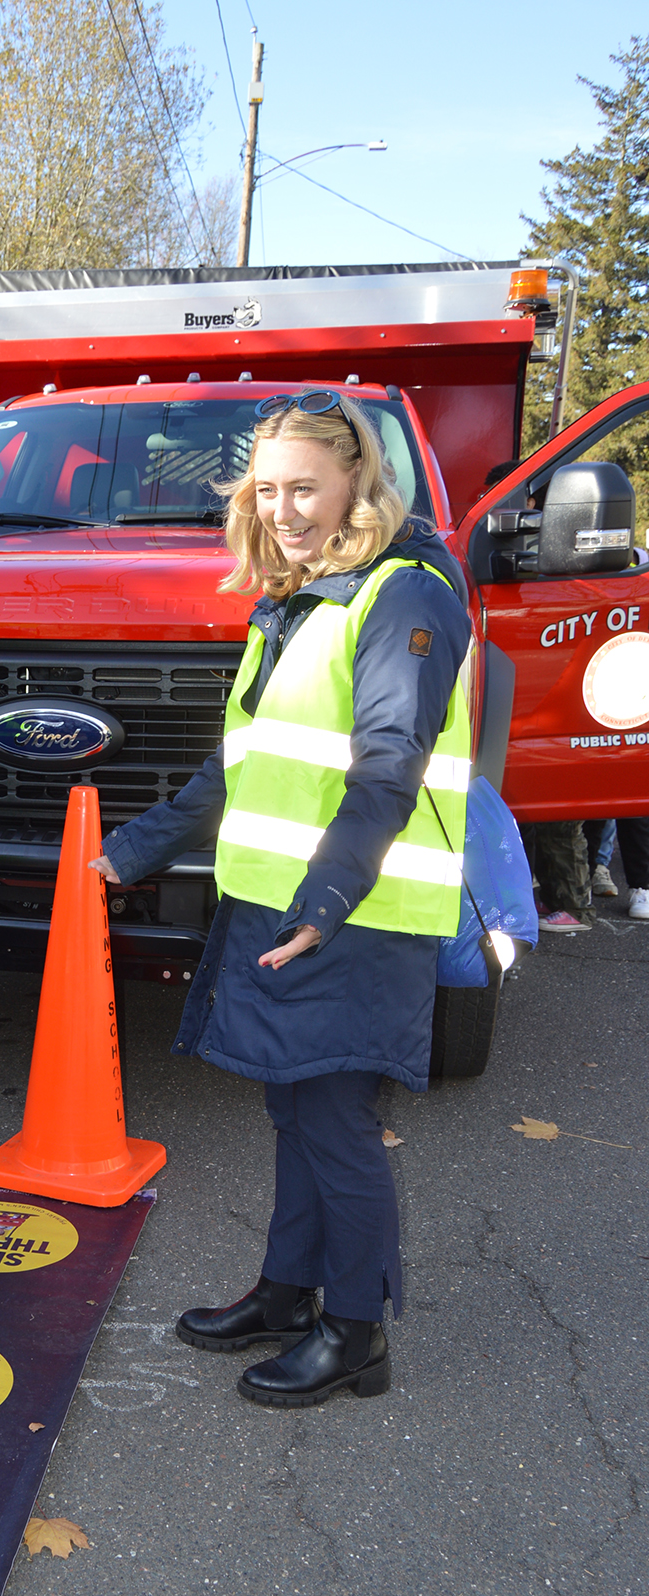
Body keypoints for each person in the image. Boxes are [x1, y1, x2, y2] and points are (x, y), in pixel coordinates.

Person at [91, 390, 471, 1407]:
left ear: (358, 480)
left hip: (354, 913)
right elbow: (243, 765)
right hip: (286, 906)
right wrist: (130, 850)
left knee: (335, 1119)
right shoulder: (308, 596)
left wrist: (327, 897)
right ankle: (287, 1292)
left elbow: (390, 762)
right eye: (266, 490)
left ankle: (354, 1333)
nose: (283, 509)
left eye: (305, 487)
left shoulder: (404, 594)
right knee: (296, 1107)